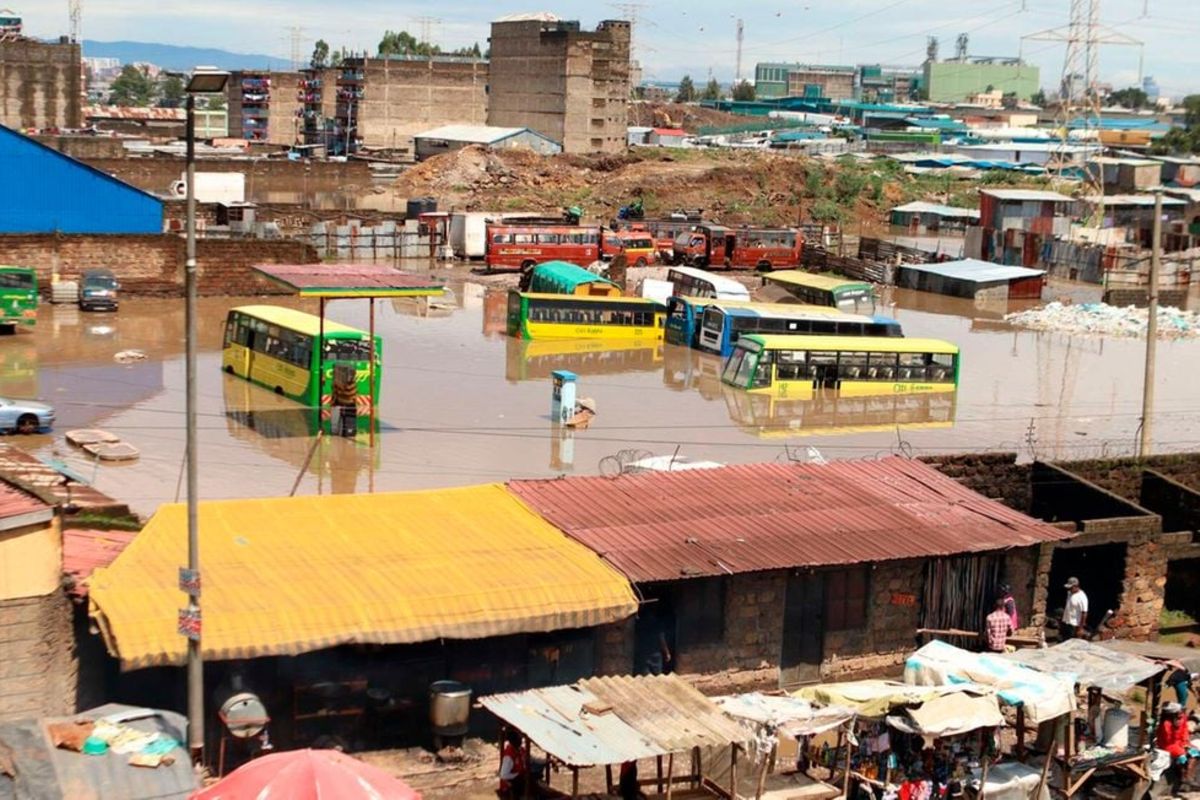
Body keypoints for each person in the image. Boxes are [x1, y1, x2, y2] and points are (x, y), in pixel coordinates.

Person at [1157, 702, 1190, 796]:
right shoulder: (1166, 724)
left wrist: (1185, 743)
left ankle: (1187, 777)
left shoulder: (1182, 718)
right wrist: (1175, 727)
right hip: (1167, 745)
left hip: (1180, 743)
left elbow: (1185, 731)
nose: (1181, 714)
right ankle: (1183, 778)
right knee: (1182, 756)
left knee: (1193, 752)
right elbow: (1168, 740)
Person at [499, 731, 528, 798]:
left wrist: (546, 761)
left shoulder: (520, 749)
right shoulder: (509, 756)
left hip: (518, 778)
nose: (521, 739)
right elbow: (503, 775)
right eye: (519, 738)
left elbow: (531, 759)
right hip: (510, 783)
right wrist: (518, 774)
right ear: (514, 740)